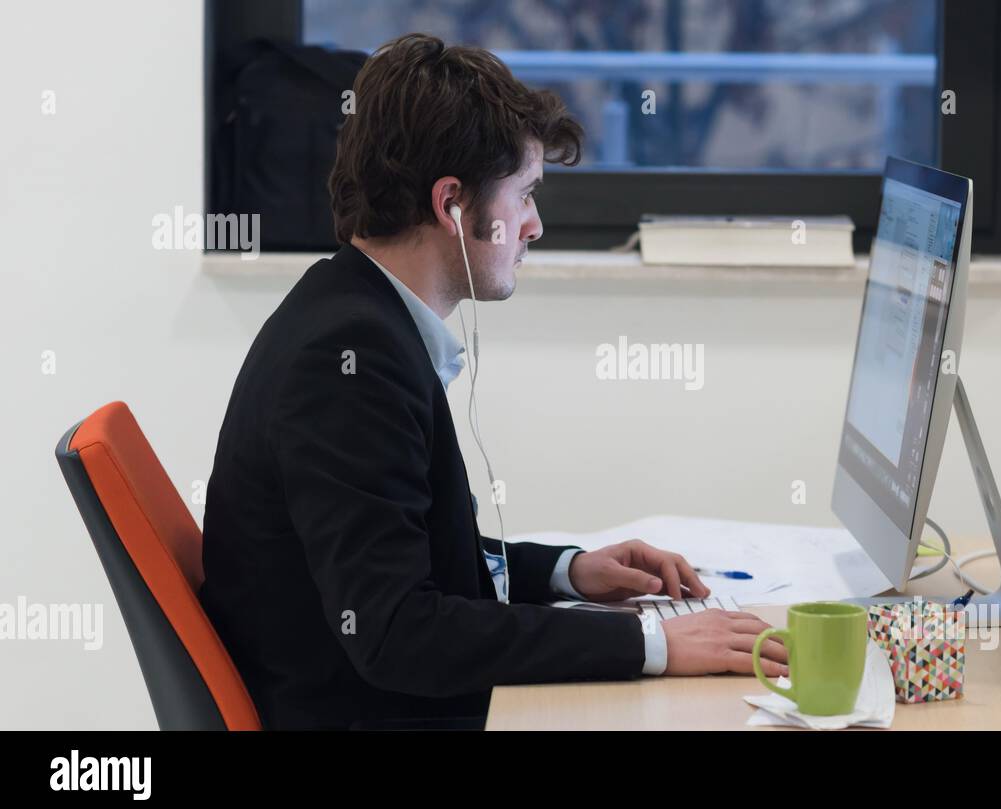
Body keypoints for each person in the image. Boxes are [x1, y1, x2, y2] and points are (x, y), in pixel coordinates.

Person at [200, 33, 788, 730]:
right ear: (452, 204)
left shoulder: (351, 311)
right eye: (525, 195)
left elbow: (405, 555)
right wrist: (652, 642)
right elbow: (397, 631)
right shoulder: (347, 361)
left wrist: (568, 571)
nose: (534, 225)